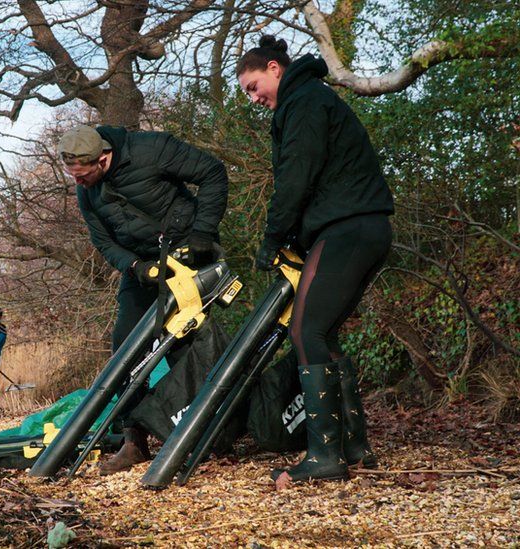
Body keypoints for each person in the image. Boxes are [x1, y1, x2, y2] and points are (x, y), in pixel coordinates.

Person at [236, 36, 394, 486]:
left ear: (274, 68)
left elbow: (296, 174)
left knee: (305, 331)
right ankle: (355, 446)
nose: (253, 97)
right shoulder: (308, 99)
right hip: (361, 227)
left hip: (349, 228)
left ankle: (325, 455)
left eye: (253, 86)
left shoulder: (303, 101)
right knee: (322, 333)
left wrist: (273, 236)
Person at [59, 124, 229, 474]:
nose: (78, 183)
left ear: (103, 158)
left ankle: (208, 433)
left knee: (190, 346)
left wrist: (203, 233)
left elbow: (213, 172)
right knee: (124, 350)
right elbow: (104, 242)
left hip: (188, 255)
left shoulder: (153, 149)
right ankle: (133, 441)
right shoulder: (87, 192)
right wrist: (135, 266)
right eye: (73, 176)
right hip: (143, 269)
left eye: (83, 175)